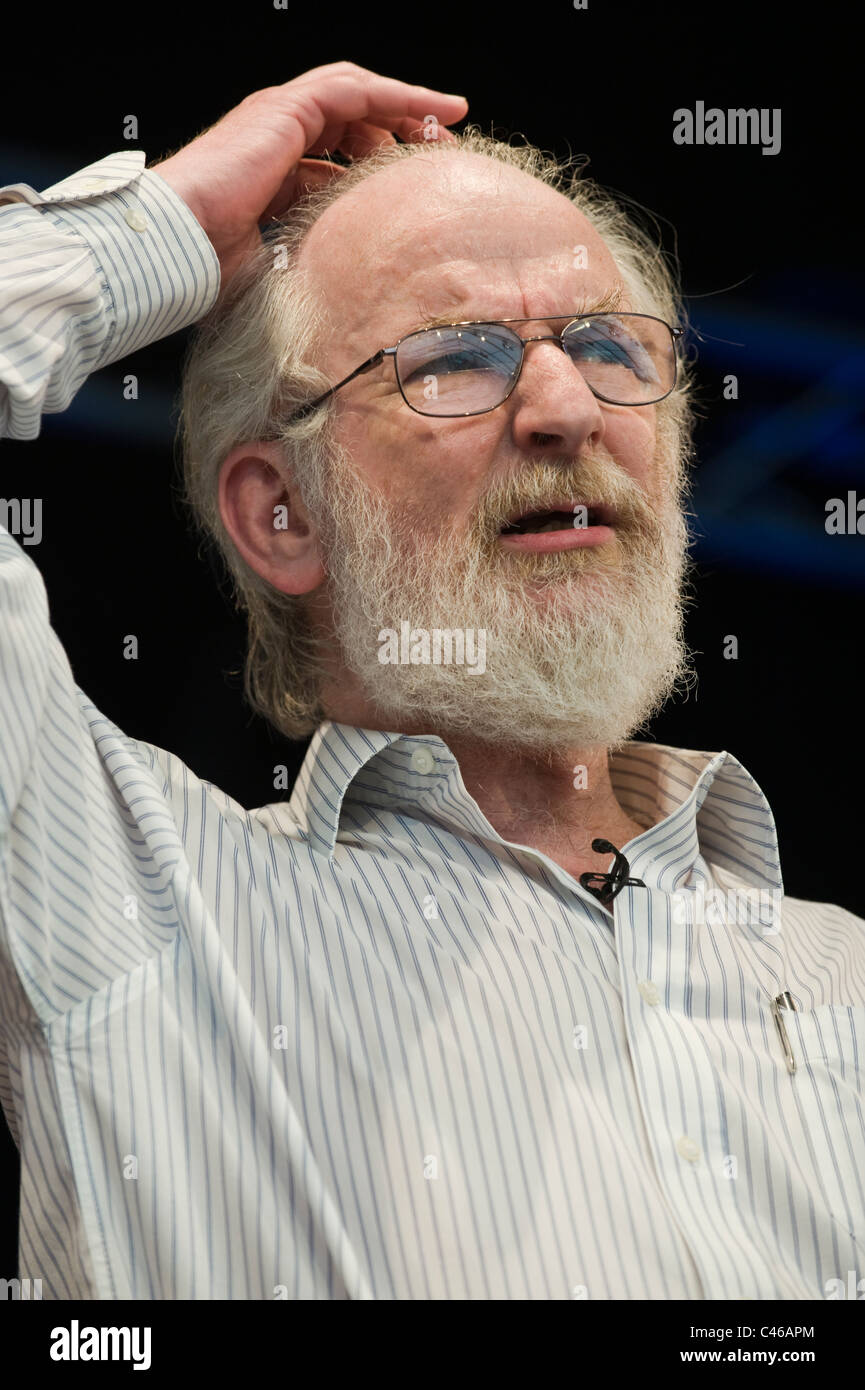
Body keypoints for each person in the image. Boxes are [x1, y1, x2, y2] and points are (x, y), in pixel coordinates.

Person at [0, 61, 862, 1301]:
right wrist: (169, 226)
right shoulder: (137, 908)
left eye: (611, 345)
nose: (564, 405)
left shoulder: (846, 979)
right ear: (283, 512)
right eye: (452, 359)